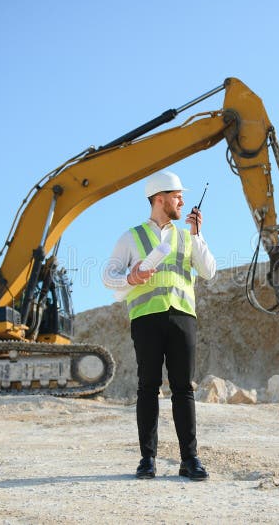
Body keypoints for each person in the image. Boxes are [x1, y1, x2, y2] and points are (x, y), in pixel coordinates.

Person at [102, 170, 216, 481]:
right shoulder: (132, 236)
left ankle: (189, 459)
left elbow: (208, 271)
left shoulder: (186, 235)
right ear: (160, 199)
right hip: (146, 318)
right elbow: (107, 276)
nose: (183, 201)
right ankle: (147, 459)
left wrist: (197, 235)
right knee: (148, 388)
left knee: (183, 389)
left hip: (182, 317)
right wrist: (129, 277)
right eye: (178, 195)